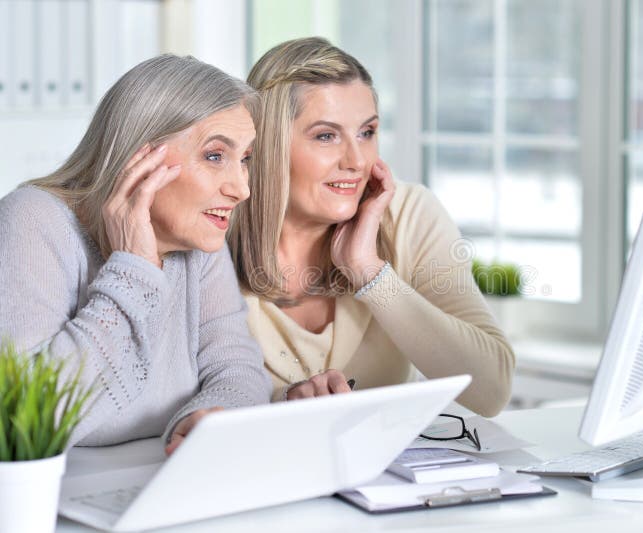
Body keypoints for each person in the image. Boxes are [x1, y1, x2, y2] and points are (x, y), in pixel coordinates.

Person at [0, 55, 272, 453]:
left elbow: (237, 365)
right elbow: (21, 421)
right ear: (139, 159)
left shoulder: (196, 236)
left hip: (158, 484)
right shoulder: (32, 220)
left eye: (244, 159)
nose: (241, 189)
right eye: (215, 156)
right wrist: (134, 269)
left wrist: (216, 416)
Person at [229, 37, 514, 417]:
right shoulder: (215, 229)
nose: (358, 161)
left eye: (367, 132)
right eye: (326, 136)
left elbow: (491, 390)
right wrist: (283, 407)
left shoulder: (409, 214)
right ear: (267, 145)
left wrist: (369, 272)